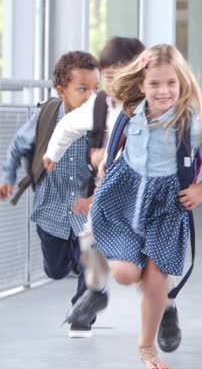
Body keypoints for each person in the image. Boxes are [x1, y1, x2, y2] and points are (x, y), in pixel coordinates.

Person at [87, 44, 202, 369]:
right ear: (141, 85)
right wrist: (108, 161)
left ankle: (146, 347)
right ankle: (158, 298)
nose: (163, 91)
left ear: (181, 84)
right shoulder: (132, 112)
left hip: (167, 204)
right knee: (126, 275)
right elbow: (123, 138)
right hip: (127, 195)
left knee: (154, 282)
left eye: (171, 83)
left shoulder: (189, 124)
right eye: (154, 83)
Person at [43, 37, 184, 351]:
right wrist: (53, 152)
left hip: (153, 193)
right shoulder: (100, 105)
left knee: (156, 256)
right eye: (108, 77)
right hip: (110, 191)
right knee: (90, 236)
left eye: (123, 76)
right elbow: (67, 126)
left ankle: (167, 307)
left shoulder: (156, 106)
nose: (115, 84)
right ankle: (95, 291)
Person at [0, 51, 100, 337]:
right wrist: (6, 177)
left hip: (87, 206)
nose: (91, 96)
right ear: (61, 91)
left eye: (96, 88)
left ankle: (82, 314)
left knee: (91, 258)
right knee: (55, 269)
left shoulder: (101, 119)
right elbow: (18, 145)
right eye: (82, 89)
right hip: (52, 205)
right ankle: (67, 262)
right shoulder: (46, 116)